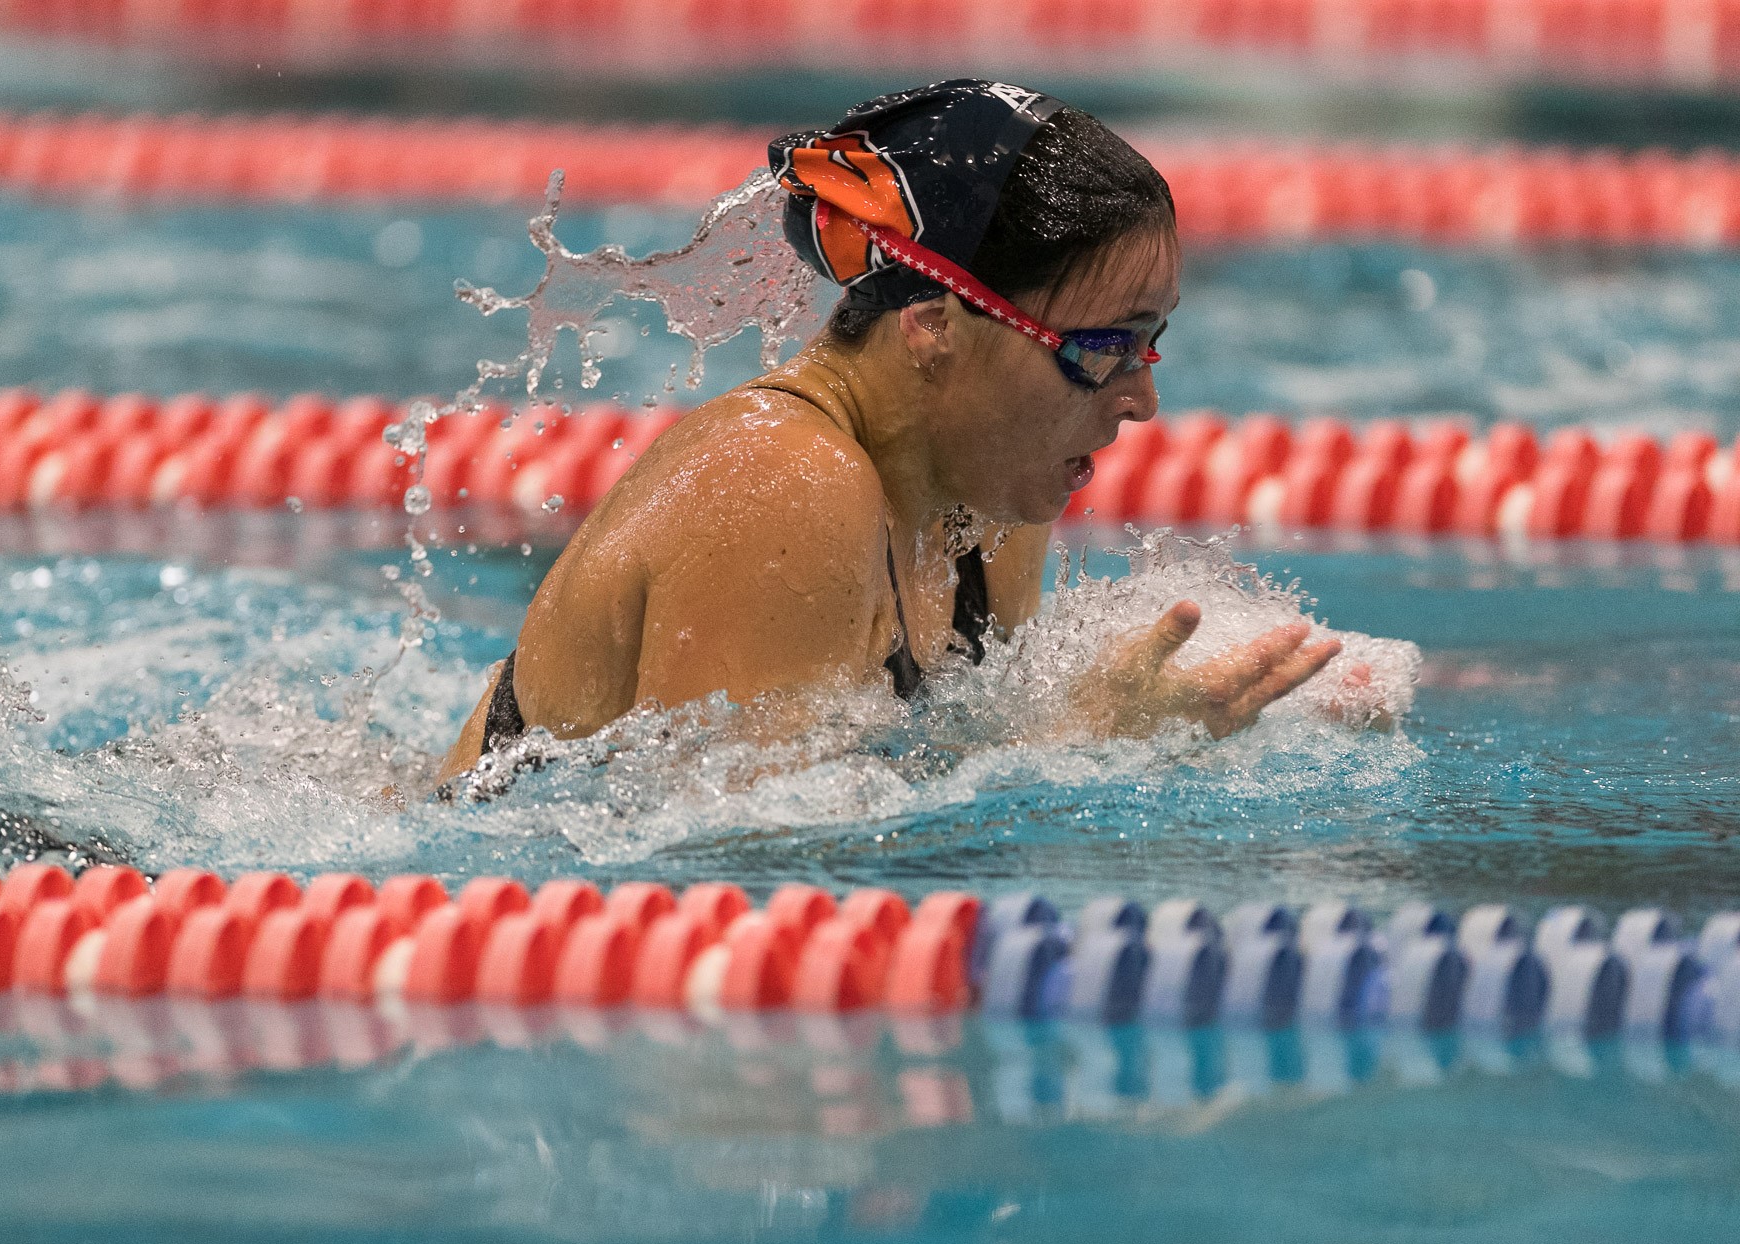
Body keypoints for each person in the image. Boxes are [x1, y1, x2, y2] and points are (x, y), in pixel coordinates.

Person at [436, 79, 1340, 789]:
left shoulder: (993, 503)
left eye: (1151, 343)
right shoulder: (779, 484)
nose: (1141, 401)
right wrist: (1083, 744)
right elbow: (741, 868)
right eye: (1102, 349)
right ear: (935, 325)